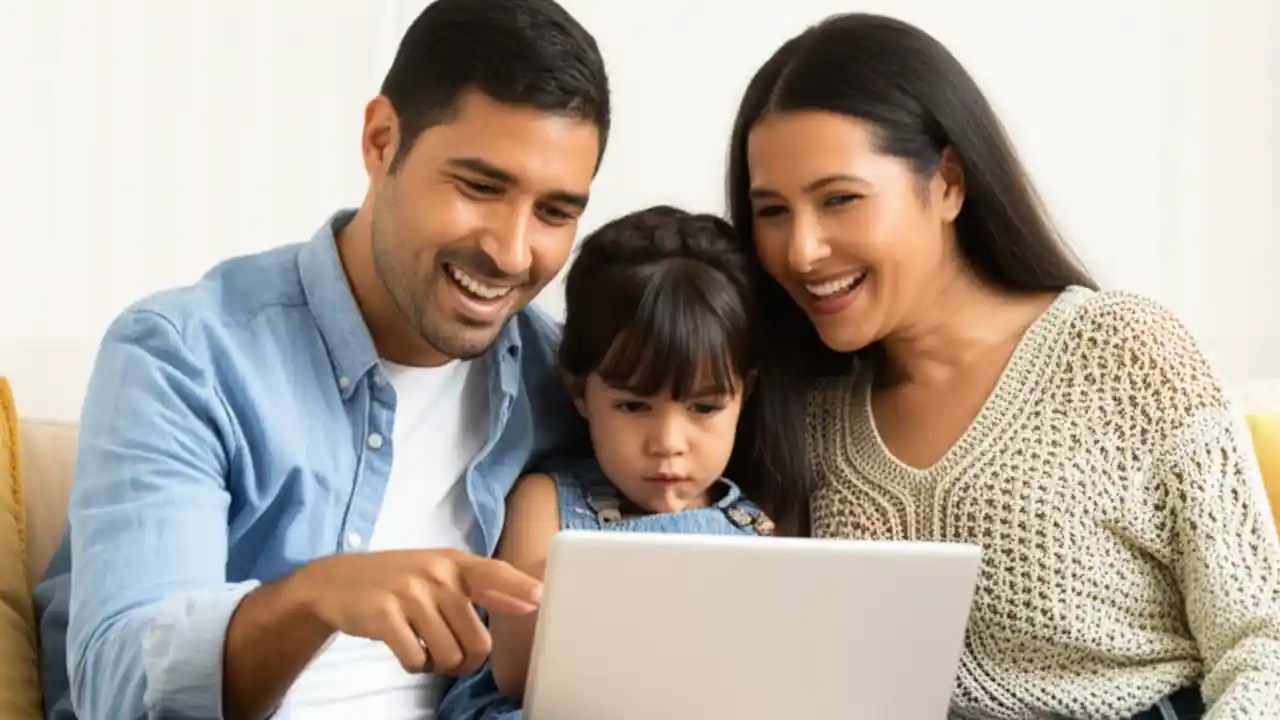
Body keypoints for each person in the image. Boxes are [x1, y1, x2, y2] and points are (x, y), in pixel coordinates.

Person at [33, 1, 611, 718]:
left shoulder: (562, 381)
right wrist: (313, 599)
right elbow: (118, 691)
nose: (513, 251)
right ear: (381, 140)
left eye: (555, 212)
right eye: (479, 187)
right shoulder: (185, 357)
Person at [728, 12, 1280, 720]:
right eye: (772, 212)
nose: (801, 251)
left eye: (840, 200)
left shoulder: (1123, 352)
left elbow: (1263, 639)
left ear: (949, 183)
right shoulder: (801, 413)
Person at [436, 206, 798, 719]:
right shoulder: (546, 503)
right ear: (580, 391)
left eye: (705, 408)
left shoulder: (757, 527)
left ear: (746, 395)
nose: (668, 443)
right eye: (633, 406)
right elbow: (517, 673)